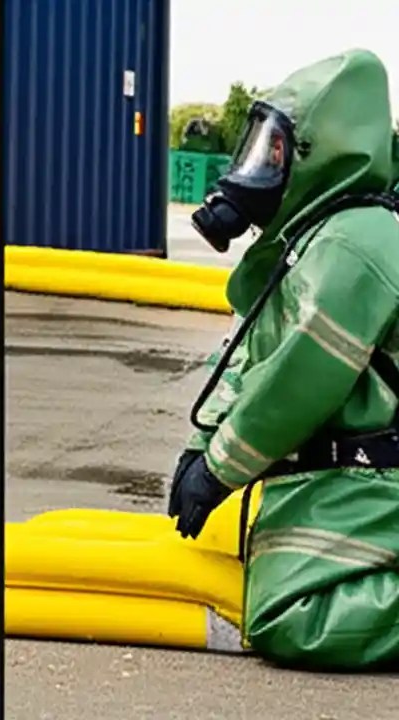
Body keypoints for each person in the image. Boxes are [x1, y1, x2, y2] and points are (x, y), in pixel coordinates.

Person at [170, 49, 399, 671]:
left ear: (316, 154)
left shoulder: (356, 242)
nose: (259, 166)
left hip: (374, 478)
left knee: (289, 615)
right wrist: (202, 443)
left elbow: (300, 378)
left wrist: (219, 468)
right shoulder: (320, 235)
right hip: (346, 474)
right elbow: (253, 354)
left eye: (276, 150)